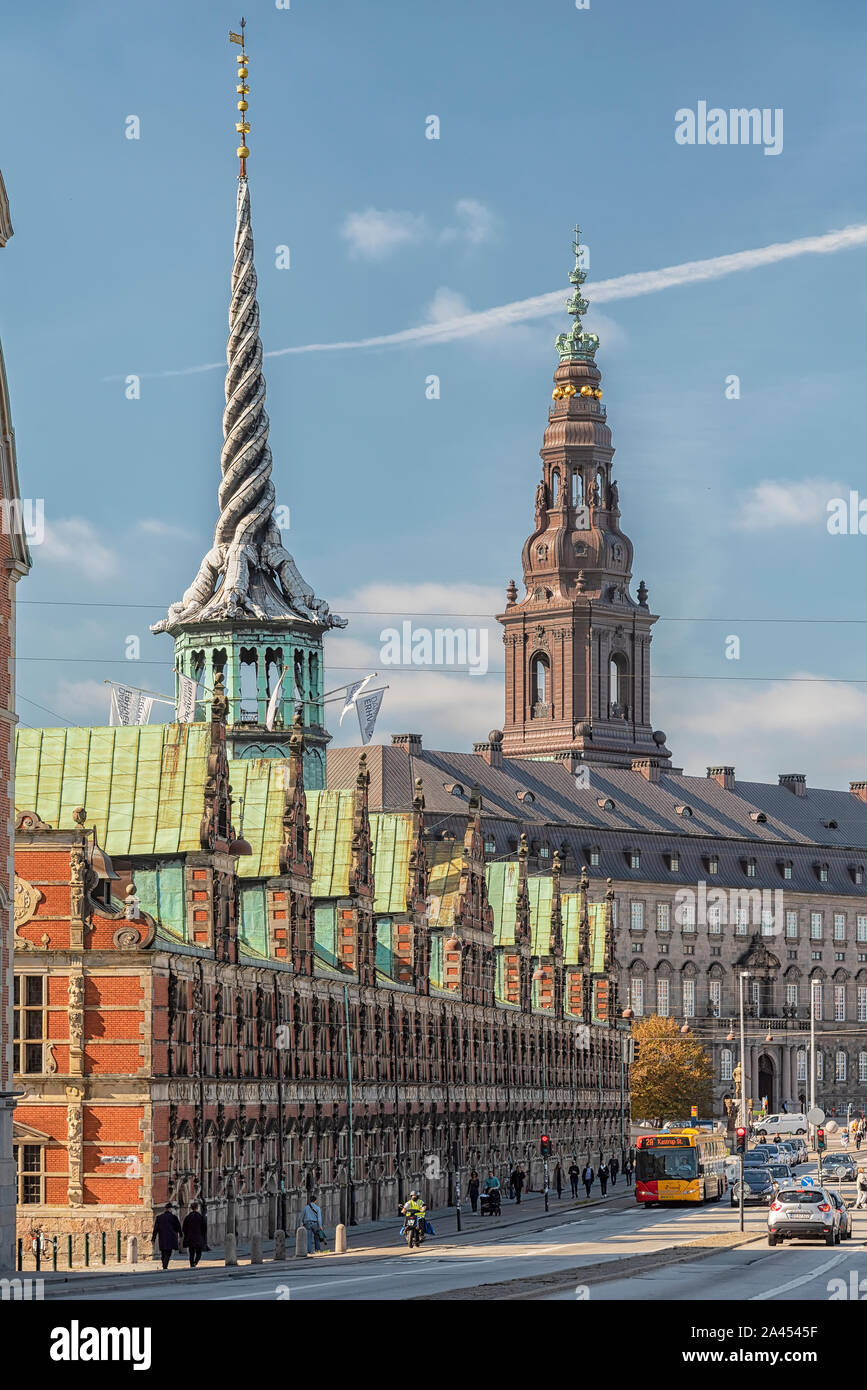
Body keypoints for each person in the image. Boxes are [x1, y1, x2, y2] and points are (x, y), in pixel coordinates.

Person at [152, 1203, 182, 1270]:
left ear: (165, 1209)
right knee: (168, 1252)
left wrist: (153, 1239)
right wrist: (180, 1234)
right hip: (171, 1237)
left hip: (162, 1237)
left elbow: (155, 1229)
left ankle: (164, 1264)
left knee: (163, 1251)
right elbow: (178, 1227)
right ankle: (165, 1265)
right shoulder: (174, 1217)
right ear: (170, 1209)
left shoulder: (159, 1218)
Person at [181, 1202, 207, 1268]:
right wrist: (202, 1236)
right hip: (198, 1237)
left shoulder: (188, 1217)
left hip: (190, 1238)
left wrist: (187, 1234)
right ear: (197, 1208)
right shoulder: (200, 1217)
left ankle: (192, 1263)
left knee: (191, 1252)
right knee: (199, 1252)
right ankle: (195, 1262)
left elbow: (184, 1228)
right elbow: (204, 1228)